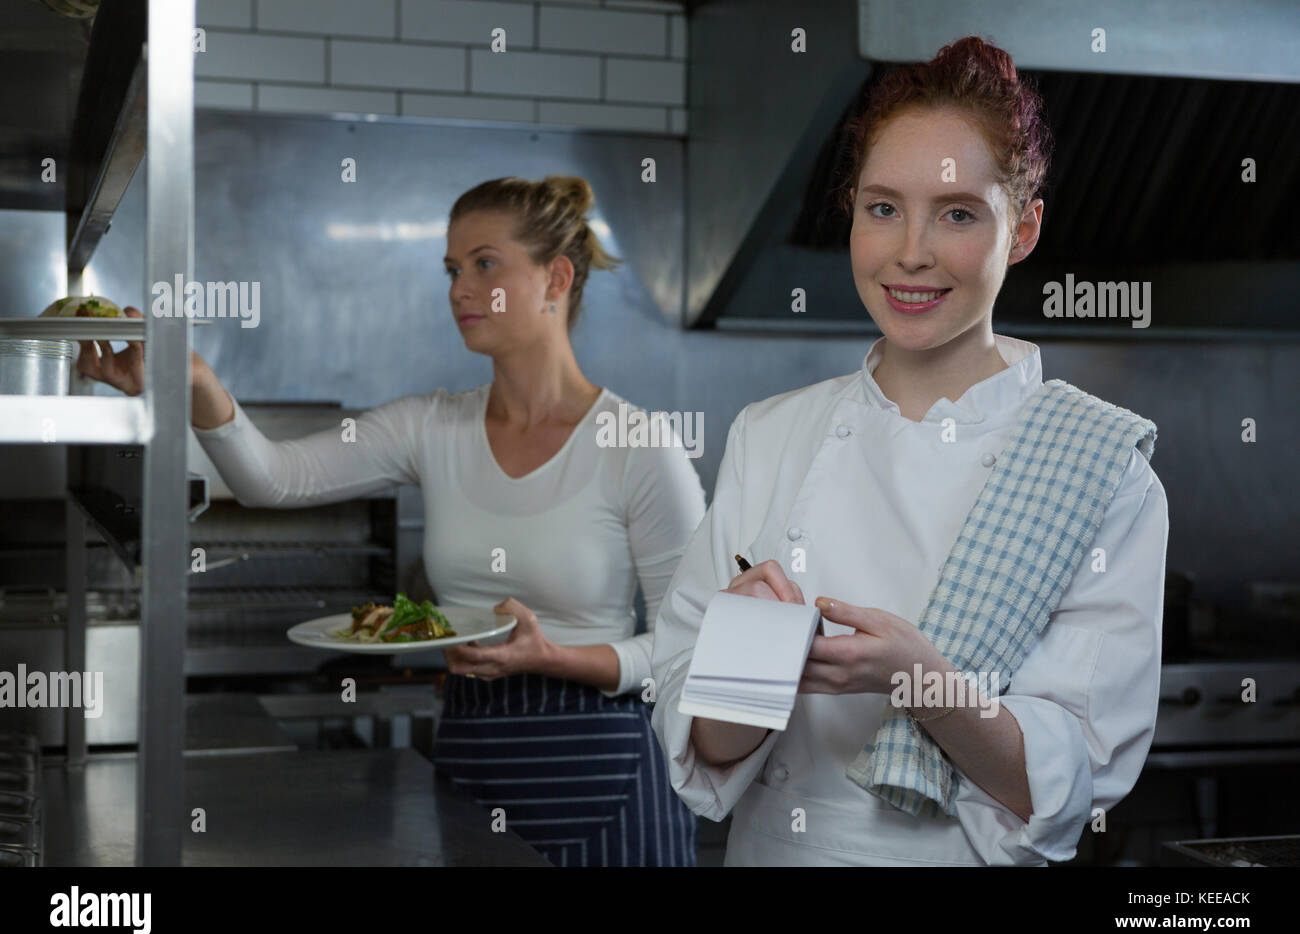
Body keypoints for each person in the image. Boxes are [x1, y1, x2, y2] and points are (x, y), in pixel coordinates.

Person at [76, 175, 705, 867]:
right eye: (452, 269)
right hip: (474, 759)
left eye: (484, 264)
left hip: (604, 775)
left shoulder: (639, 444)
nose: (458, 290)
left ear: (555, 277)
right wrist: (196, 384)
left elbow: (689, 649)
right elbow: (274, 479)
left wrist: (554, 657)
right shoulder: (431, 426)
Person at [650, 36, 1170, 866]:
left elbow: (1067, 782)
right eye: (882, 207)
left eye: (958, 212)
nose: (911, 252)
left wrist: (919, 680)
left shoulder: (1101, 467)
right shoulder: (770, 434)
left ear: (1024, 228)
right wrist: (751, 656)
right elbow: (703, 751)